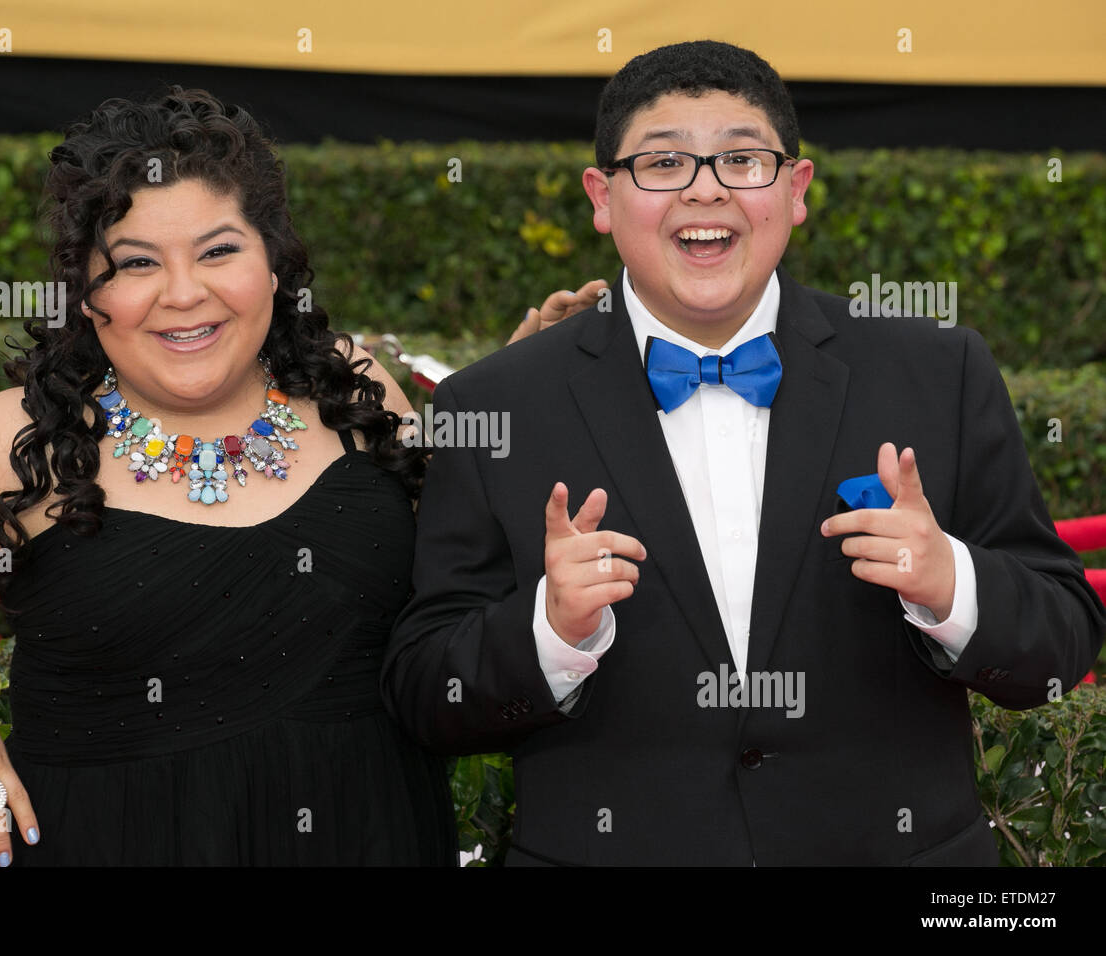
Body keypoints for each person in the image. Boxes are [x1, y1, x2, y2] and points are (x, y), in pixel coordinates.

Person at [0, 86, 594, 866]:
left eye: (219, 251)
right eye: (136, 263)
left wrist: (507, 386)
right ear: (86, 292)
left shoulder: (352, 386)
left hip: (375, 828)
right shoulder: (19, 440)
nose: (184, 295)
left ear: (275, 263)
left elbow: (461, 561)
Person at [381, 40, 1106, 865]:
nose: (705, 188)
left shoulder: (937, 371)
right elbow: (422, 690)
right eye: (662, 162)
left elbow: (1061, 641)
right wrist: (548, 630)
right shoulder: (493, 405)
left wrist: (952, 584)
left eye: (741, 159)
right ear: (602, 196)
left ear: (795, 190)